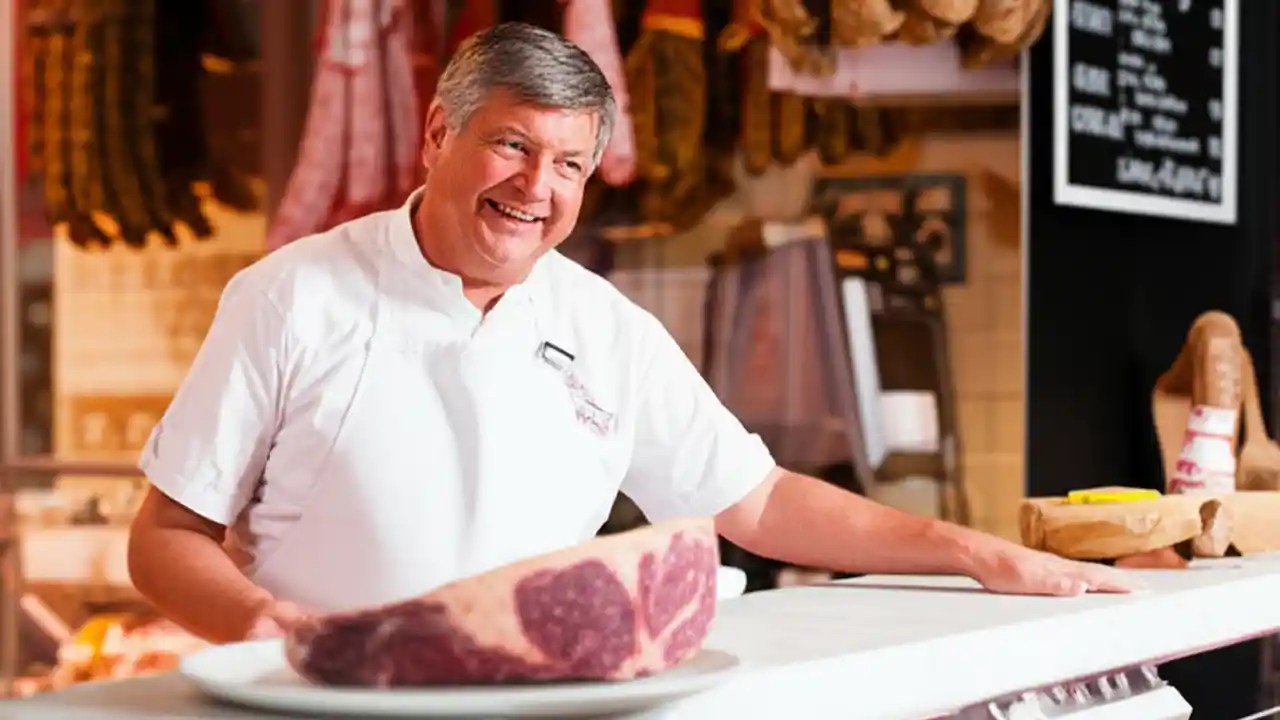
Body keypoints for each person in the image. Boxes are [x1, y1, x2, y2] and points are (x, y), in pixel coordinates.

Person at [127, 22, 1137, 644]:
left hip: (539, 697)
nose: (535, 187)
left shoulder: (603, 326)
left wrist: (973, 552)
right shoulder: (292, 295)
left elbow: (761, 501)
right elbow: (167, 538)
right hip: (320, 707)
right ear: (440, 135)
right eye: (510, 145)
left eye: (567, 164)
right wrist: (272, 630)